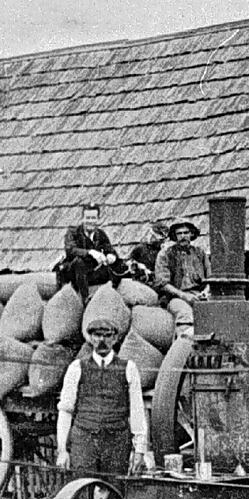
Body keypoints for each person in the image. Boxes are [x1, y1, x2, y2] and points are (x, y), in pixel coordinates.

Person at [54, 317, 151, 477]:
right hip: (84, 440)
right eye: (97, 335)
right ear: (91, 338)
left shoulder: (129, 368)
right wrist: (62, 449)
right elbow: (65, 410)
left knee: (114, 492)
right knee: (82, 491)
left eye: (107, 335)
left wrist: (140, 450)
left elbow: (137, 411)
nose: (102, 340)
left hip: (116, 442)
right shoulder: (77, 367)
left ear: (115, 339)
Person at [56, 203, 126, 299]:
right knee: (78, 262)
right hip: (73, 272)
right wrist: (90, 252)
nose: (90, 221)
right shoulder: (73, 232)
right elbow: (70, 250)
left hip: (90, 273)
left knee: (119, 267)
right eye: (87, 218)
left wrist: (111, 257)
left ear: (98, 219)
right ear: (82, 218)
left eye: (93, 218)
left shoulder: (100, 234)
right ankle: (85, 298)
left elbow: (110, 250)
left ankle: (111, 296)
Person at [155, 219, 210, 338]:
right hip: (175, 298)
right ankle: (184, 350)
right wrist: (184, 296)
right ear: (174, 236)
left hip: (198, 296)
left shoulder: (200, 253)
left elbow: (210, 278)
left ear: (192, 234)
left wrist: (205, 292)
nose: (183, 236)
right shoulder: (165, 254)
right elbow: (162, 283)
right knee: (185, 315)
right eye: (179, 234)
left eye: (186, 233)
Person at [126, 217, 173, 289]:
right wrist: (138, 265)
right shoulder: (140, 248)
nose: (150, 237)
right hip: (140, 282)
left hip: (159, 284)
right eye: (150, 234)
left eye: (153, 236)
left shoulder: (165, 252)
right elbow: (128, 263)